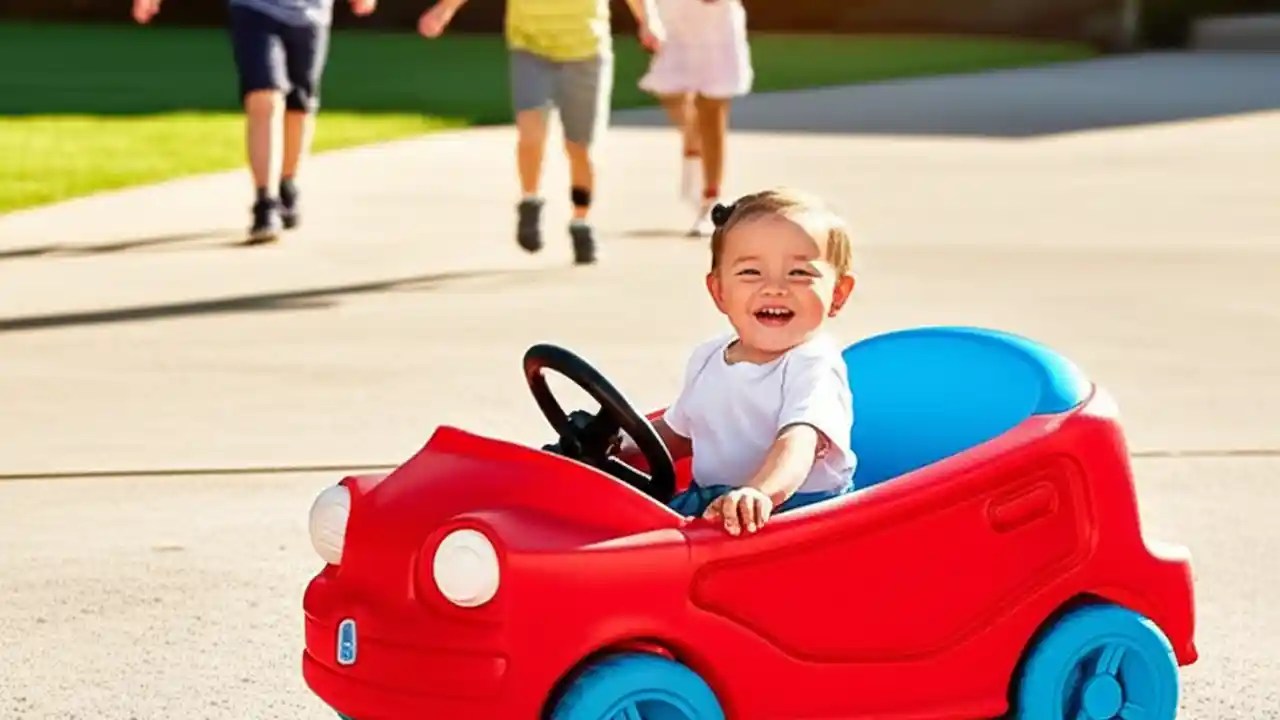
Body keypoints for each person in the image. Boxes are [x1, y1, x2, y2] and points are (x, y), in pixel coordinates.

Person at [625, 188, 858, 536]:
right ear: (719, 292)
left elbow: (798, 443)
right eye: (751, 272)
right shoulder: (708, 357)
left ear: (837, 295)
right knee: (624, 523)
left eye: (799, 274)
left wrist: (759, 493)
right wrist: (617, 442)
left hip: (798, 516)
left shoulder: (814, 366)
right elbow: (678, 433)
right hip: (717, 505)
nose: (775, 288)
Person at [418, 0, 663, 264]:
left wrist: (648, 21)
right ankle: (530, 200)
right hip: (530, 48)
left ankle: (581, 222)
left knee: (582, 149)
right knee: (531, 132)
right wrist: (444, 9)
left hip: (587, 51)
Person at [132, 0, 376, 244]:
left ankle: (287, 186)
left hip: (310, 14)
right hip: (254, 9)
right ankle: (265, 202)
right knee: (264, 96)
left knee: (299, 107)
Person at [638, 0, 753, 237]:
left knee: (711, 111)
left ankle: (711, 200)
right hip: (672, 19)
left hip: (717, 24)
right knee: (670, 93)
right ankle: (694, 145)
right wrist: (646, 19)